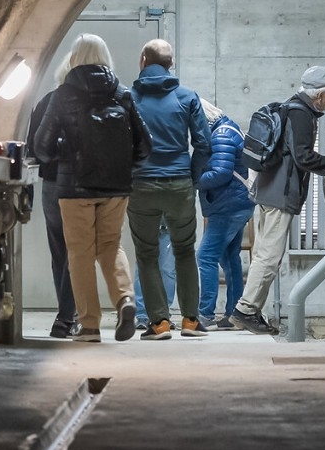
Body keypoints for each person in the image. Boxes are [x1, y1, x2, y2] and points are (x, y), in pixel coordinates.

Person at [33, 34, 150, 343]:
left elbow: (41, 147)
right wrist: (120, 164)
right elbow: (145, 146)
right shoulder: (122, 94)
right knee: (111, 245)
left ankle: (89, 326)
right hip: (115, 188)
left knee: (80, 253)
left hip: (75, 189)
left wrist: (66, 153)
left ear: (74, 58)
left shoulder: (62, 95)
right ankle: (125, 299)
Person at [231, 65, 325, 335]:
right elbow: (303, 157)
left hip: (268, 189)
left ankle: (249, 310)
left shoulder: (290, 107)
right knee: (269, 257)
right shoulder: (301, 114)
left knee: (263, 255)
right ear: (320, 94)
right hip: (280, 194)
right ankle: (246, 311)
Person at [127, 39, 212, 340]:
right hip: (179, 184)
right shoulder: (187, 97)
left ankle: (159, 323)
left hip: (141, 185)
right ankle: (191, 321)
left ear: (143, 60)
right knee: (184, 250)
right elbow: (204, 144)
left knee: (147, 253)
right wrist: (192, 177)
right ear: (170, 64)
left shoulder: (128, 98)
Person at [24, 64, 78, 339]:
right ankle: (67, 317)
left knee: (59, 253)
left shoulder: (47, 100)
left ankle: (66, 314)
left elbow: (33, 147)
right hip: (79, 184)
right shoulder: (85, 103)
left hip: (51, 185)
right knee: (76, 252)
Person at [195, 98, 255, 329]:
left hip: (228, 206)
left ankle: (205, 315)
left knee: (206, 256)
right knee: (229, 258)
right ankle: (234, 315)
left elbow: (221, 172)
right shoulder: (228, 128)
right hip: (237, 203)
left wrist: (194, 181)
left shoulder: (221, 135)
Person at [133, 220, 177, 330]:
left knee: (167, 270)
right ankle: (142, 315)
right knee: (142, 268)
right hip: (145, 225)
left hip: (169, 226)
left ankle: (163, 315)